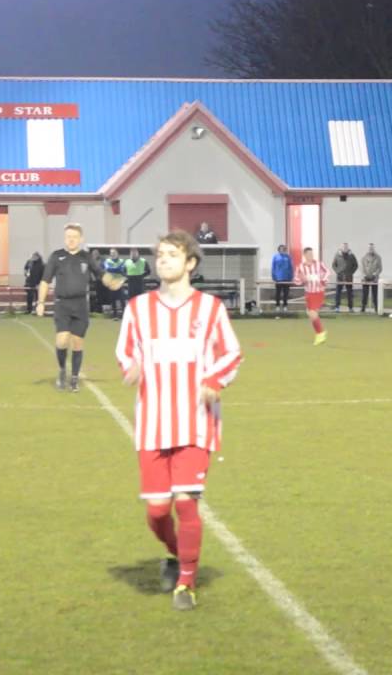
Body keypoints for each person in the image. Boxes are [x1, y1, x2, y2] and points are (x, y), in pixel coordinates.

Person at [115, 230, 242, 611]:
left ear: (190, 264)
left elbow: (232, 354)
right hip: (153, 420)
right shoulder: (138, 308)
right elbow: (125, 350)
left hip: (195, 421)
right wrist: (131, 366)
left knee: (186, 503)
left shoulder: (211, 309)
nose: (163, 260)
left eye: (172, 255)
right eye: (161, 255)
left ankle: (186, 581)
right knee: (156, 512)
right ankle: (178, 551)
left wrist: (214, 381)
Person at [36, 223, 126, 392]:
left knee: (77, 342)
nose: (71, 240)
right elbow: (45, 281)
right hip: (62, 304)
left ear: (81, 239)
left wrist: (113, 283)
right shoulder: (56, 257)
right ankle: (62, 369)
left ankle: (74, 379)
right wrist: (40, 302)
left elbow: (101, 274)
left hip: (80, 305)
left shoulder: (86, 257)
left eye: (74, 237)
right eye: (68, 236)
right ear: (65, 238)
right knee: (62, 340)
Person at [294, 246, 331, 345]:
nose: (311, 256)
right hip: (308, 293)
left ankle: (321, 333)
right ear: (305, 255)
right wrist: (303, 279)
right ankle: (319, 334)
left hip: (318, 292)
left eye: (312, 254)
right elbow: (296, 280)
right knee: (310, 314)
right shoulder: (300, 267)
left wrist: (322, 280)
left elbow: (327, 272)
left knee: (312, 313)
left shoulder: (319, 264)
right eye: (309, 254)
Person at [332, 243, 358, 313]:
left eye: (346, 247)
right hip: (340, 277)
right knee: (338, 293)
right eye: (344, 247)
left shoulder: (352, 255)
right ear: (341, 247)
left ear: (348, 248)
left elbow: (355, 265)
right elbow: (334, 265)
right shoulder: (337, 255)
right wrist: (338, 272)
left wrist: (351, 273)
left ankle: (350, 308)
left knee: (350, 293)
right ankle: (337, 307)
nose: (345, 248)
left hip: (349, 277)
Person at [103, 248, 128, 317]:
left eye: (114, 252)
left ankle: (124, 314)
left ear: (117, 253)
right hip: (111, 282)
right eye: (111, 253)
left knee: (122, 299)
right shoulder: (107, 261)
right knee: (113, 299)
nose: (113, 254)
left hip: (120, 282)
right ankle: (115, 315)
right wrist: (117, 269)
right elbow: (108, 268)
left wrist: (113, 269)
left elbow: (122, 269)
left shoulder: (122, 261)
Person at [270, 245, 293, 312]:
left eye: (283, 249)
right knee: (278, 293)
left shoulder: (288, 257)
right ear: (279, 250)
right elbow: (273, 267)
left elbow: (291, 267)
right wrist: (273, 276)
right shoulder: (275, 257)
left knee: (286, 293)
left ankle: (285, 306)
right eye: (281, 249)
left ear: (285, 249)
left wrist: (291, 277)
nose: (282, 250)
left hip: (287, 278)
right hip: (278, 278)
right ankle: (277, 306)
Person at [359, 244, 382, 313]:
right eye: (369, 248)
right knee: (364, 294)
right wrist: (364, 275)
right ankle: (363, 308)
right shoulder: (364, 258)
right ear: (367, 249)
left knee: (375, 294)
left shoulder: (378, 257)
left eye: (372, 248)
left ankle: (376, 308)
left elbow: (380, 268)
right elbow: (362, 268)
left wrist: (376, 274)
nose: (371, 249)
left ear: (374, 249)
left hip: (374, 278)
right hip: (366, 278)